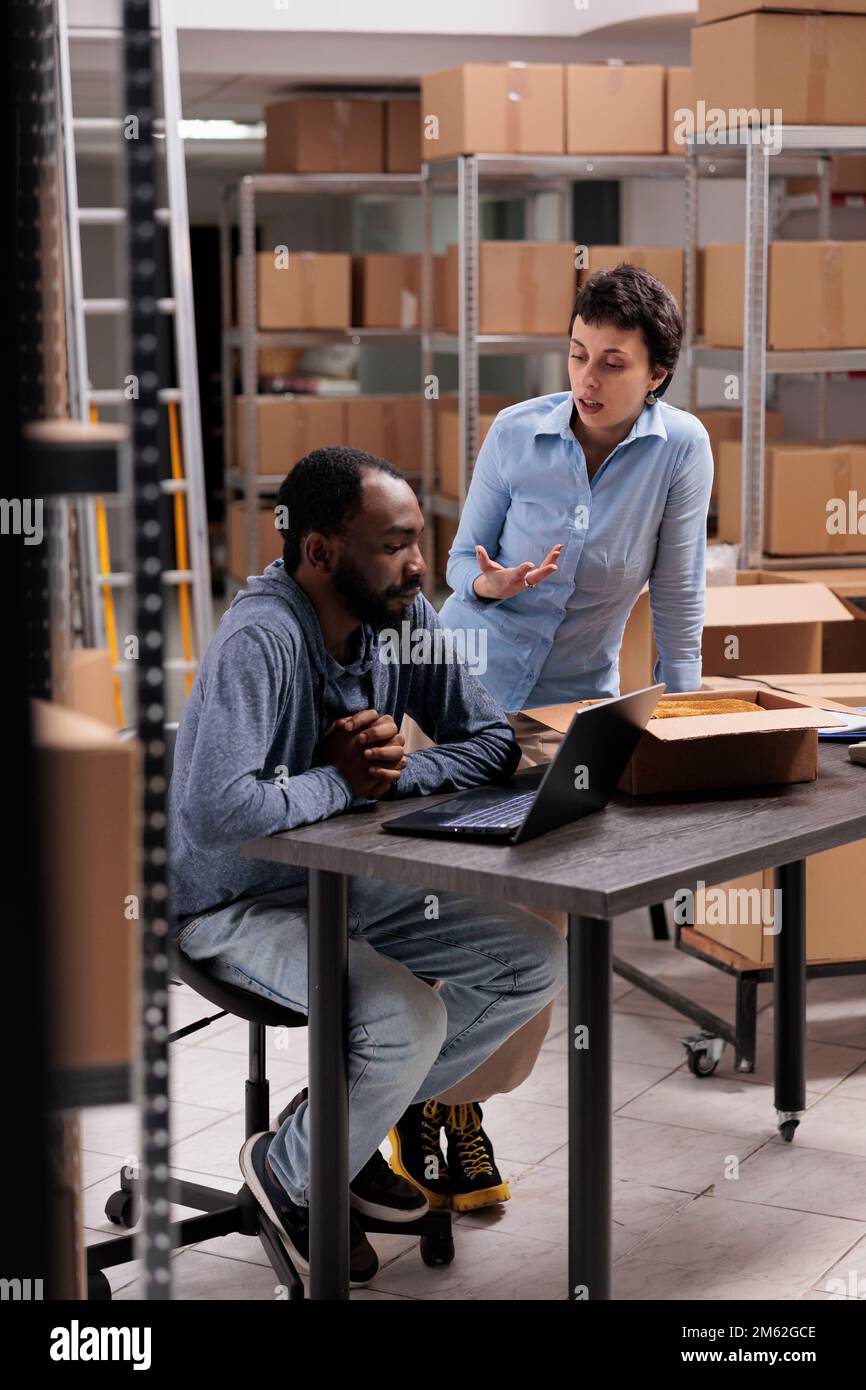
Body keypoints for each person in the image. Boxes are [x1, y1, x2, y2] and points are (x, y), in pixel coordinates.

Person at [167, 447, 567, 1286]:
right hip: (238, 902)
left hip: (348, 882)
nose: (418, 564)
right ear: (320, 553)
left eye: (418, 539)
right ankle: (299, 1176)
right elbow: (217, 810)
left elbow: (492, 741)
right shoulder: (261, 638)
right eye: (394, 544)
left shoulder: (403, 619)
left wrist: (395, 773)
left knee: (533, 959)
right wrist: (335, 781)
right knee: (405, 1021)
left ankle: (310, 1147)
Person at [429, 262, 714, 1104]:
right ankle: (404, 1109)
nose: (588, 379)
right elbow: (454, 563)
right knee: (440, 908)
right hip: (463, 692)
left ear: (657, 372)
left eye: (613, 362)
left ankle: (463, 1107)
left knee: (532, 930)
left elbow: (678, 589)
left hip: (568, 710)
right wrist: (493, 585)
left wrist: (683, 710)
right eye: (578, 354)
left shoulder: (680, 449)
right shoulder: (517, 432)